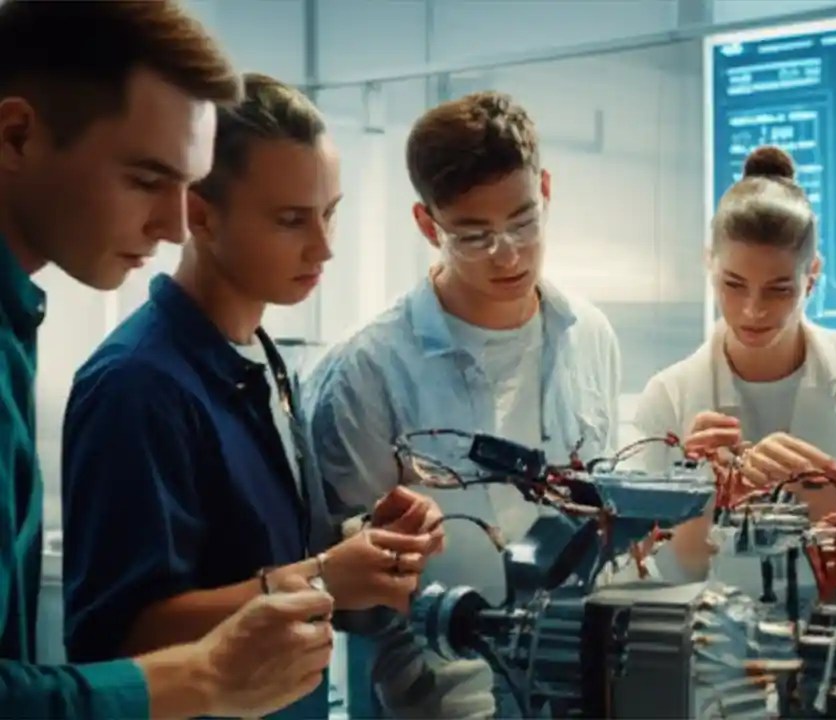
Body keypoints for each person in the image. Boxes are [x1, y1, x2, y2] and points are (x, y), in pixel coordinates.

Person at [58, 73, 445, 719]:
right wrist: (322, 575)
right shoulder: (137, 386)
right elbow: (113, 641)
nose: (324, 246)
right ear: (201, 213)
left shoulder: (264, 358)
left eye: (331, 212)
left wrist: (367, 549)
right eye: (292, 220)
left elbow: (264, 562)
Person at [0, 2, 334, 717]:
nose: (179, 225)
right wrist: (206, 676)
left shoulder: (15, 326)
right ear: (17, 135)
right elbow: (110, 634)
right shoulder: (134, 380)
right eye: (148, 180)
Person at [302, 90, 622, 718]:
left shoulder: (588, 337)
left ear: (546, 189)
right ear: (428, 225)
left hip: (582, 685)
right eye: (474, 235)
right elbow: (349, 601)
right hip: (440, 698)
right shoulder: (369, 372)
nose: (508, 253)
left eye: (524, 222)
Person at [627, 145, 836, 587]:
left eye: (779, 289)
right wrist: (699, 500)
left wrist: (833, 507)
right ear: (709, 264)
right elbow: (662, 574)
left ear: (812, 275)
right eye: (733, 284)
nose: (752, 310)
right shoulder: (669, 397)